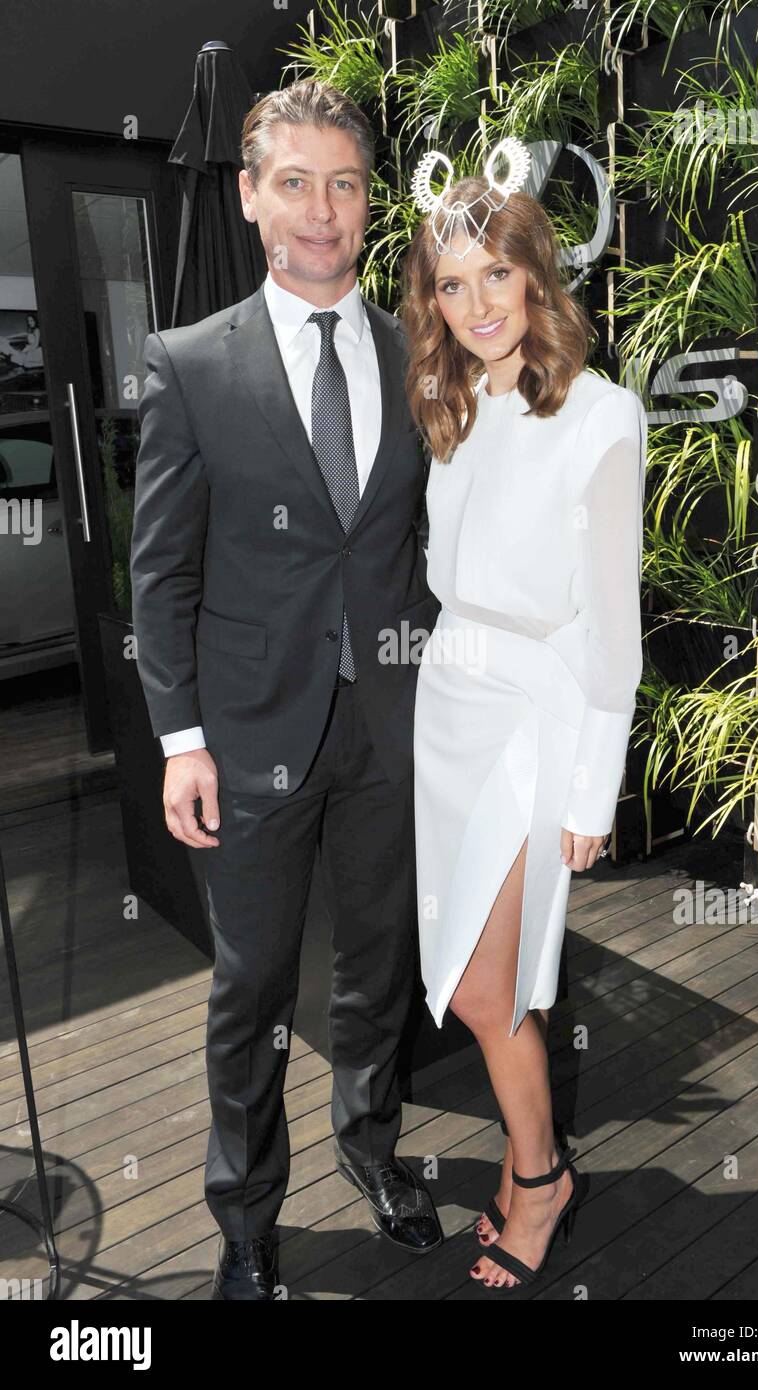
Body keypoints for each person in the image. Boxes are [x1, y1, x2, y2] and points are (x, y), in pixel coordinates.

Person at [130, 80, 444, 1301]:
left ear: (370, 204)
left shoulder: (419, 354)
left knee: (377, 962)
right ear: (252, 195)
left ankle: (371, 1148)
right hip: (250, 734)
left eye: (348, 183)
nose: (325, 210)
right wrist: (181, 739)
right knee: (252, 984)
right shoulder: (191, 364)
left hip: (390, 725)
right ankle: (247, 1208)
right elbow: (162, 572)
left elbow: (427, 542)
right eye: (297, 181)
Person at [401, 138, 647, 1292]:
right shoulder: (453, 405)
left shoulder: (602, 416)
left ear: (537, 274)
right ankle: (528, 1146)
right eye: (451, 284)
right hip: (447, 704)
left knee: (491, 987)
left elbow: (613, 628)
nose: (477, 303)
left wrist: (593, 790)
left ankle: (542, 1179)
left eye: (494, 273)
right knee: (465, 978)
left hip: (532, 723)